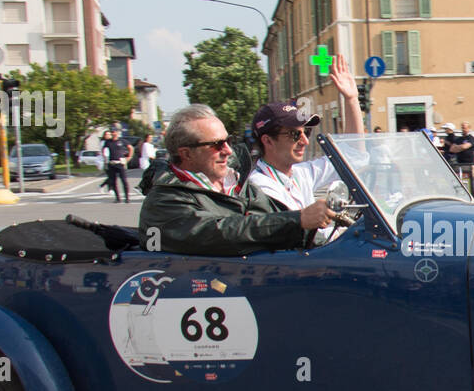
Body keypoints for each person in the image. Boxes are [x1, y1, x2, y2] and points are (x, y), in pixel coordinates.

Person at [138, 104, 335, 255]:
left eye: (228, 141)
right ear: (186, 154)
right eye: (216, 145)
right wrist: (297, 219)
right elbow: (219, 233)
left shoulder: (238, 185)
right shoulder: (164, 200)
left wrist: (331, 242)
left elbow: (273, 217)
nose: (228, 151)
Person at [246, 54, 365, 211]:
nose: (305, 141)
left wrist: (351, 99)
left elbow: (353, 157)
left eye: (306, 133)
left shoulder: (299, 174)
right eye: (295, 135)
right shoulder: (259, 186)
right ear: (268, 141)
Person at [102, 131, 131, 202]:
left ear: (117, 133)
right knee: (113, 181)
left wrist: (129, 157)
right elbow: (103, 150)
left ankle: (127, 198)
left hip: (120, 162)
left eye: (115, 132)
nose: (113, 134)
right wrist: (105, 157)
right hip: (112, 163)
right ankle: (118, 198)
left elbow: (130, 148)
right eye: (112, 132)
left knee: (124, 180)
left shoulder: (122, 141)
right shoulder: (108, 142)